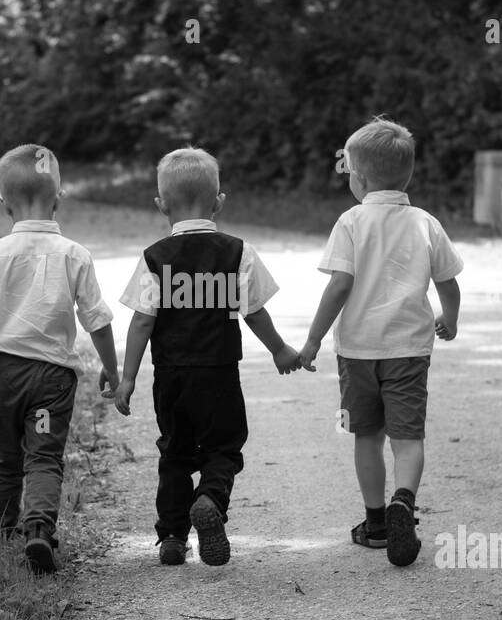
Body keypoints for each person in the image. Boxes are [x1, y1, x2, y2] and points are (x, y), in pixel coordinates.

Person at [113, 147, 302, 566]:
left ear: (162, 206)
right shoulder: (236, 251)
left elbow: (142, 322)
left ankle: (173, 538)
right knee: (224, 448)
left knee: (175, 453)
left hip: (171, 377)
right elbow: (253, 311)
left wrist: (127, 378)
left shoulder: (154, 258)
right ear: (218, 202)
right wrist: (280, 349)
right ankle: (211, 498)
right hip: (218, 374)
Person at [298, 116, 463, 567]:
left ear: (361, 178)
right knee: (408, 437)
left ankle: (374, 523)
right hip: (409, 349)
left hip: (357, 351)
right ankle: (403, 504)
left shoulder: (350, 222)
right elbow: (448, 283)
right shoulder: (425, 224)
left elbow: (338, 285)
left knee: (366, 436)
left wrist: (312, 339)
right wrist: (449, 317)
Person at [0, 144, 119, 575]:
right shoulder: (74, 254)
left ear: (3, 203)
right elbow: (97, 320)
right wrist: (113, 368)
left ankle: (6, 527)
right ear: (59, 198)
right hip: (50, 382)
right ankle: (39, 531)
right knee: (44, 456)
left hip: (4, 378)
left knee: (6, 455)